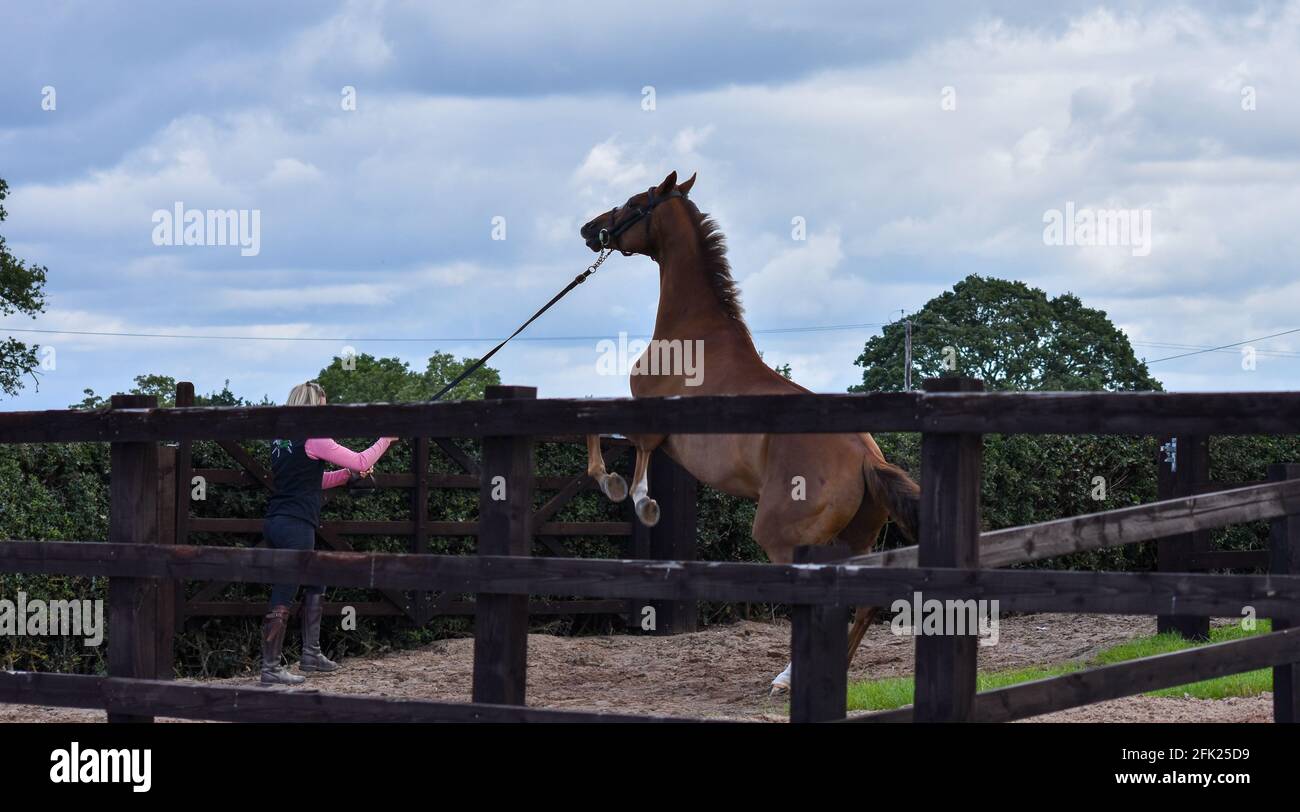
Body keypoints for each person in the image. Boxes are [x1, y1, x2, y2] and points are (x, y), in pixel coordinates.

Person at [260, 381, 399, 686]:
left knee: (316, 577)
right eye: (324, 404)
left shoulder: (281, 439)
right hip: (297, 524)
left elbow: (311, 481)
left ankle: (310, 655)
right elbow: (363, 460)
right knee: (285, 590)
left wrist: (346, 476)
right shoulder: (316, 436)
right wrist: (385, 439)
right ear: (314, 404)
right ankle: (270, 668)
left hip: (277, 521)